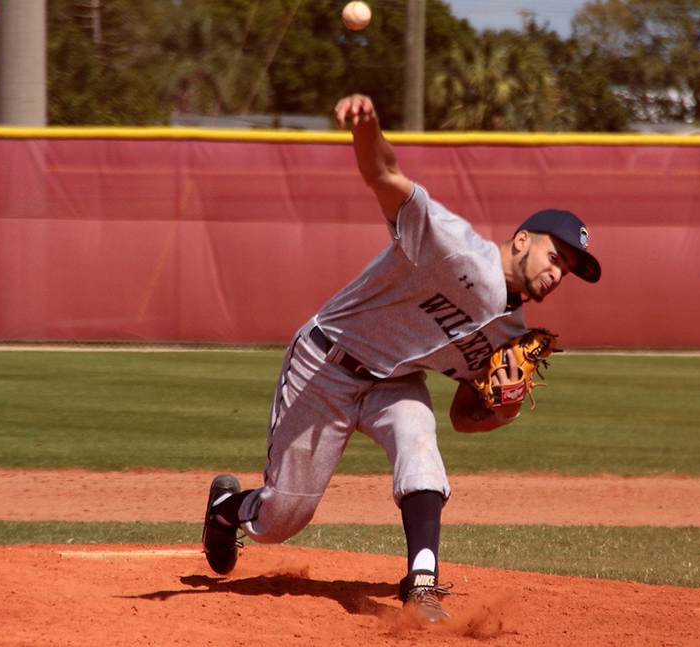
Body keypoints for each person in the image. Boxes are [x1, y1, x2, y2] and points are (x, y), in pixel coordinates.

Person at [200, 94, 601, 623]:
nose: (557, 273)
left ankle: (423, 584)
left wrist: (502, 406)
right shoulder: (449, 245)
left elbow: (463, 416)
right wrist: (366, 126)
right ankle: (227, 511)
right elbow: (385, 174)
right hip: (326, 363)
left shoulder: (510, 336)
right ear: (522, 240)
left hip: (396, 382)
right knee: (282, 518)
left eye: (567, 270)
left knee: (420, 439)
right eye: (556, 256)